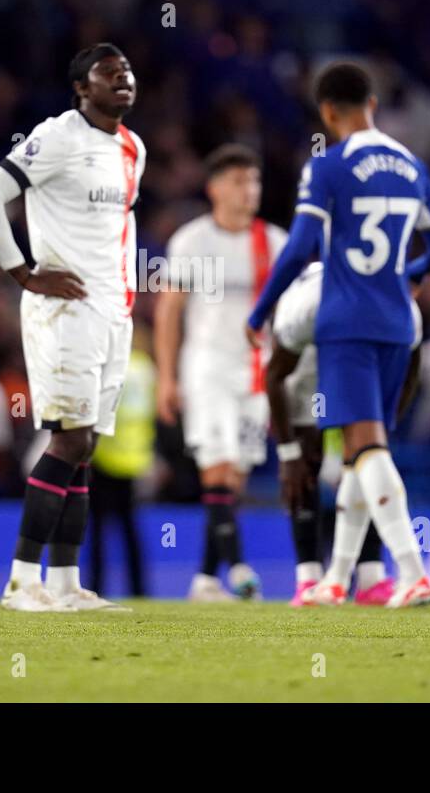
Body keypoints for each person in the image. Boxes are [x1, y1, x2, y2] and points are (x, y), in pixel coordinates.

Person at [247, 61, 430, 609]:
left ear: (327, 113)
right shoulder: (412, 166)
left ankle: (412, 572)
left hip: (347, 322)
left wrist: (260, 311)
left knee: (365, 449)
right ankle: (336, 579)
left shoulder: (329, 165)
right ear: (374, 105)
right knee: (357, 456)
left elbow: (297, 249)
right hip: (398, 322)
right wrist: (403, 278)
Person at [0, 43, 145, 612]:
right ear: (81, 87)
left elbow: (121, 226)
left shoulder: (132, 148)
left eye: (127, 72)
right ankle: (22, 579)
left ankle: (65, 583)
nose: (123, 80)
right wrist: (22, 272)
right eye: (108, 73)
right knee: (68, 437)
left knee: (86, 444)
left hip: (112, 313)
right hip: (64, 311)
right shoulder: (58, 135)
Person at [153, 143, 287, 601]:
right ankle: (240, 567)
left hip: (255, 374)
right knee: (218, 468)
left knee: (236, 479)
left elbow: (287, 315)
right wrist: (167, 377)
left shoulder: (274, 242)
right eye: (237, 181)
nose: (248, 190)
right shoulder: (193, 240)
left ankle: (206, 580)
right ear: (214, 188)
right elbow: (170, 311)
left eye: (253, 180)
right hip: (206, 367)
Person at [266, 261, 424, 606]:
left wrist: (384, 425)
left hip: (357, 360)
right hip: (304, 361)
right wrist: (287, 453)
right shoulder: (305, 311)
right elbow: (275, 376)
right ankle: (309, 577)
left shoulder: (405, 312)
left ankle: (367, 577)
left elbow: (411, 368)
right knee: (306, 463)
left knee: (364, 457)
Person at [88, 326, 156, 597]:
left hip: (105, 454)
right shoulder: (145, 368)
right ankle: (139, 589)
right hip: (135, 456)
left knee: (98, 530)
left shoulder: (111, 367)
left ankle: (95, 586)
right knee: (130, 530)